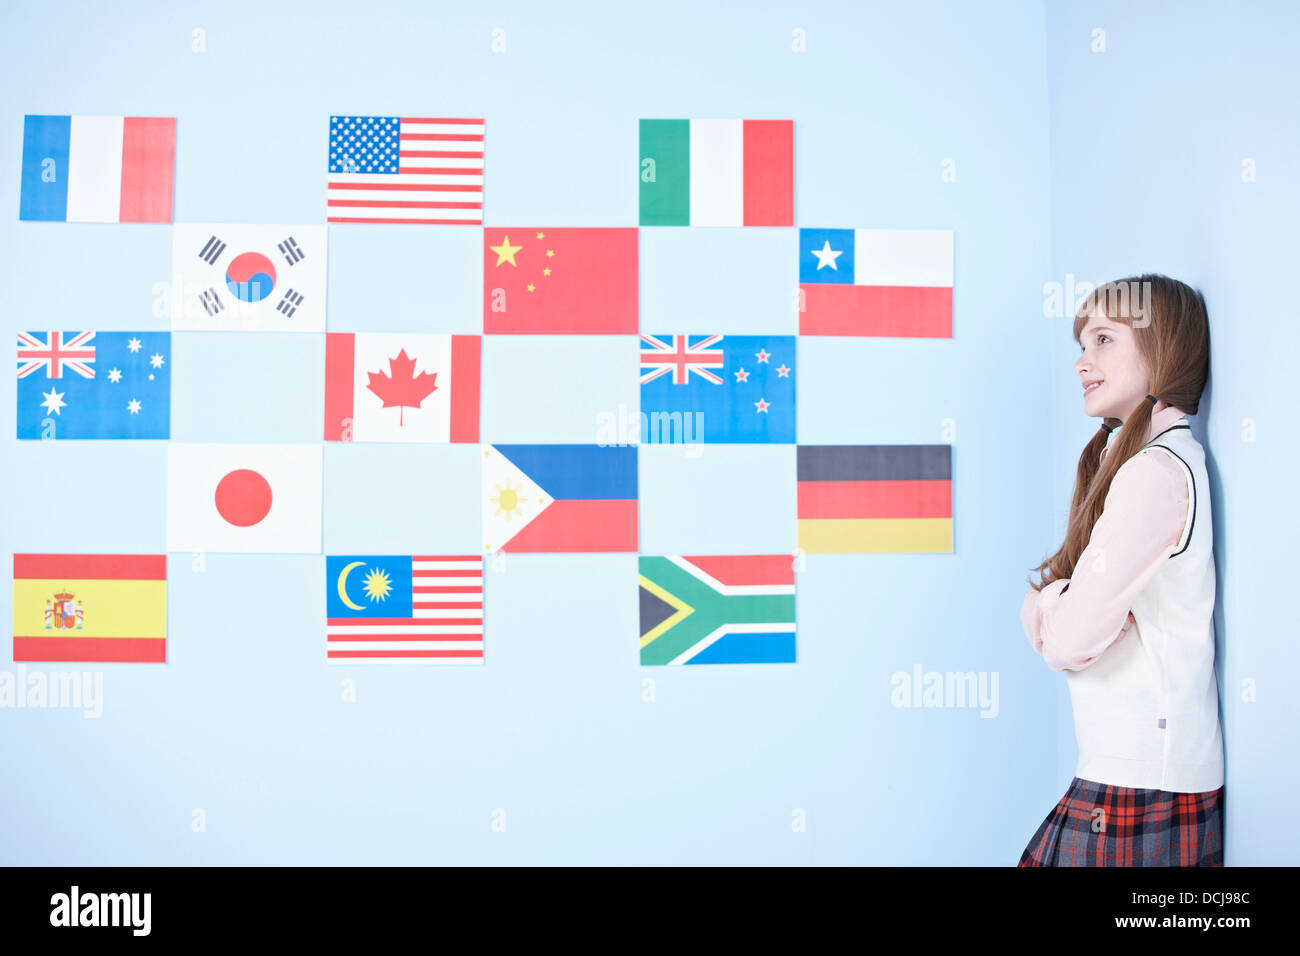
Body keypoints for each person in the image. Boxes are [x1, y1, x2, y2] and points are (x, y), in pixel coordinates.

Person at [1017, 274, 1225, 866]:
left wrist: (1046, 602)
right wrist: (1064, 600)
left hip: (1142, 784)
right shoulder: (1142, 463)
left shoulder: (1154, 472)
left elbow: (1069, 641)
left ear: (1159, 349)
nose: (1083, 363)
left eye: (1103, 340)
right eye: (1082, 346)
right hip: (1134, 777)